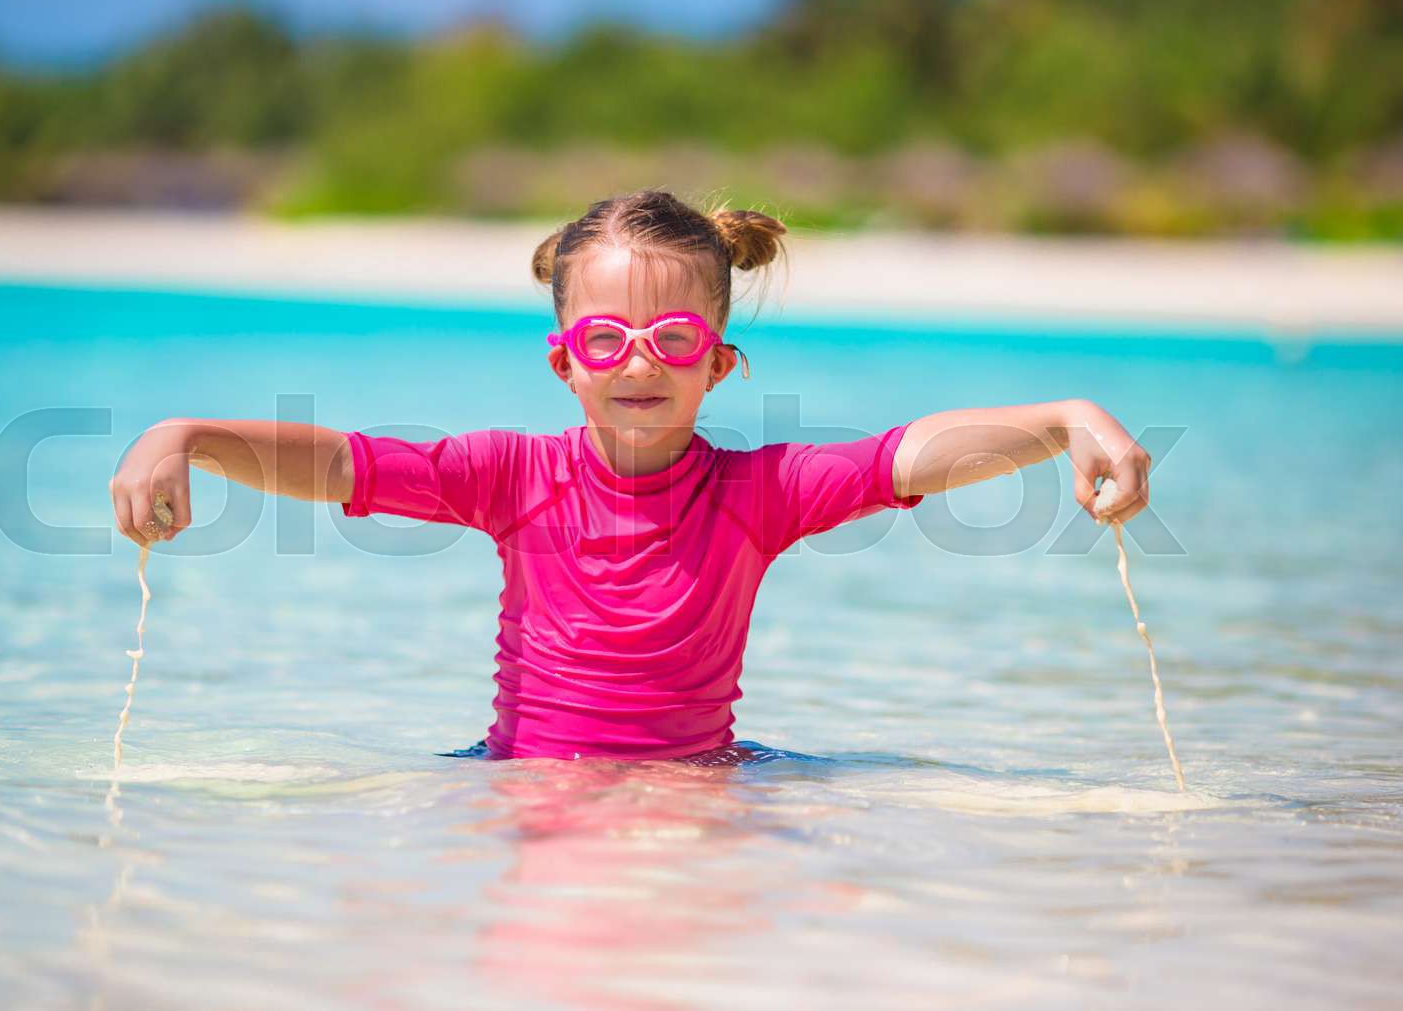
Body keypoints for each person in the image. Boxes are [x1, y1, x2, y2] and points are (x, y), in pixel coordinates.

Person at [108, 189, 1151, 762]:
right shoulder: (507, 475)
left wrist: (1065, 419)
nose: (640, 361)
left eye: (672, 335)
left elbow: (906, 454)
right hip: (522, 782)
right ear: (565, 363)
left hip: (697, 786)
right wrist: (187, 432)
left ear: (718, 362)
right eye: (605, 338)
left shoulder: (762, 490)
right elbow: (343, 463)